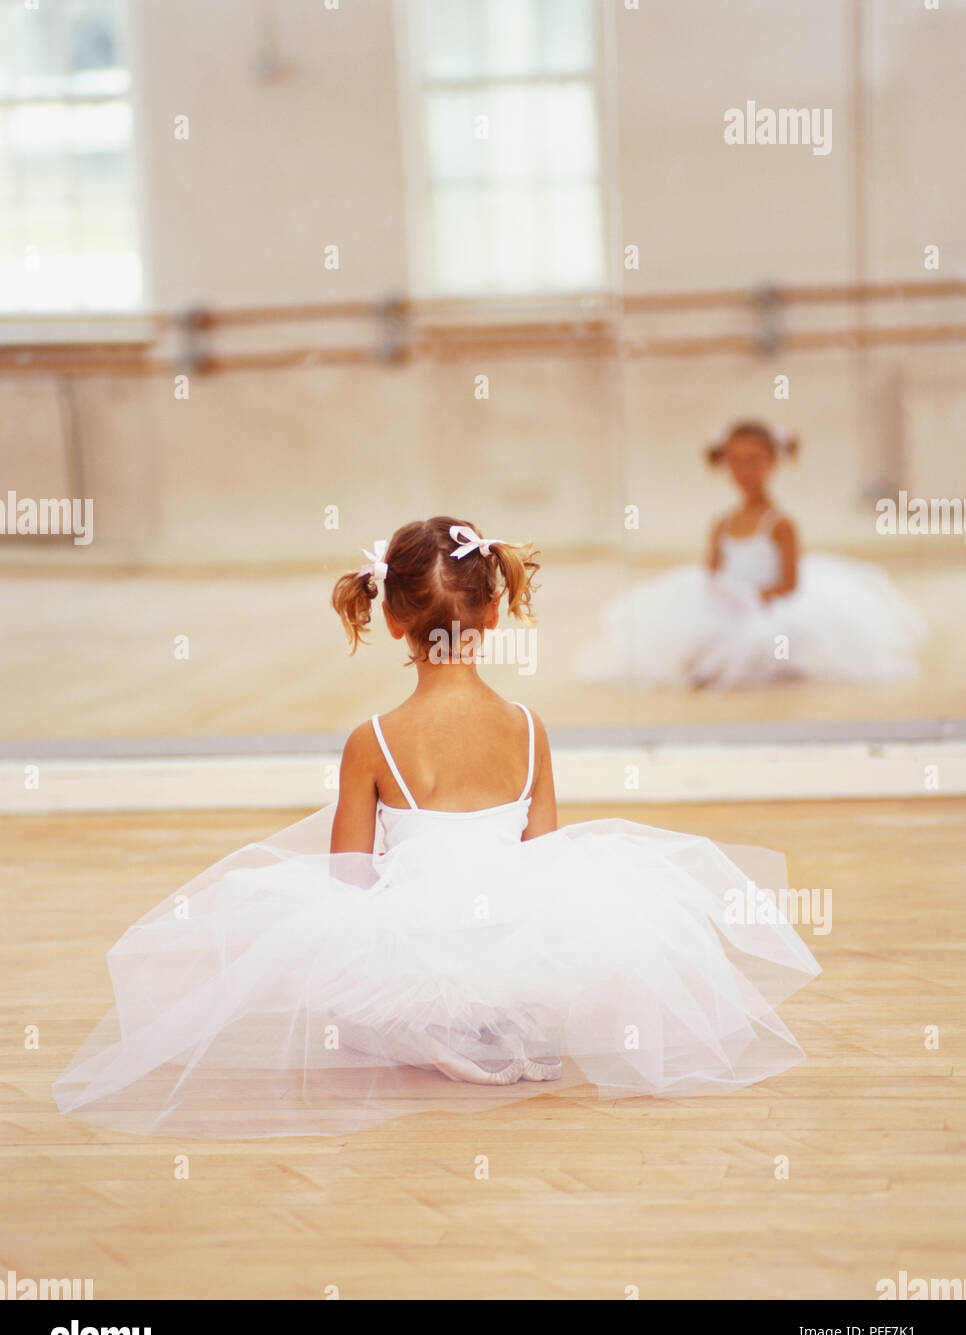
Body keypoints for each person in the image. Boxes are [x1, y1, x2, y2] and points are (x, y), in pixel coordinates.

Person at [53, 517, 821, 1139]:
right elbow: (545, 861)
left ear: (388, 617)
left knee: (367, 976)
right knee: (512, 947)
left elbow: (348, 882)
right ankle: (501, 1019)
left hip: (418, 929)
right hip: (515, 925)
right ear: (494, 611)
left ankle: (443, 1027)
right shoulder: (528, 727)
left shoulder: (373, 739)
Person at [580, 421, 927, 689]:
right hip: (728, 603)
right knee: (690, 633)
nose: (744, 471)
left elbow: (790, 583)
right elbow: (711, 573)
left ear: (772, 463)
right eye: (735, 462)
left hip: (768, 605)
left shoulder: (780, 523)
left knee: (761, 638)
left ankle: (766, 667)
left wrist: (752, 596)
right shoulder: (722, 523)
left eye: (754, 461)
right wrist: (724, 593)